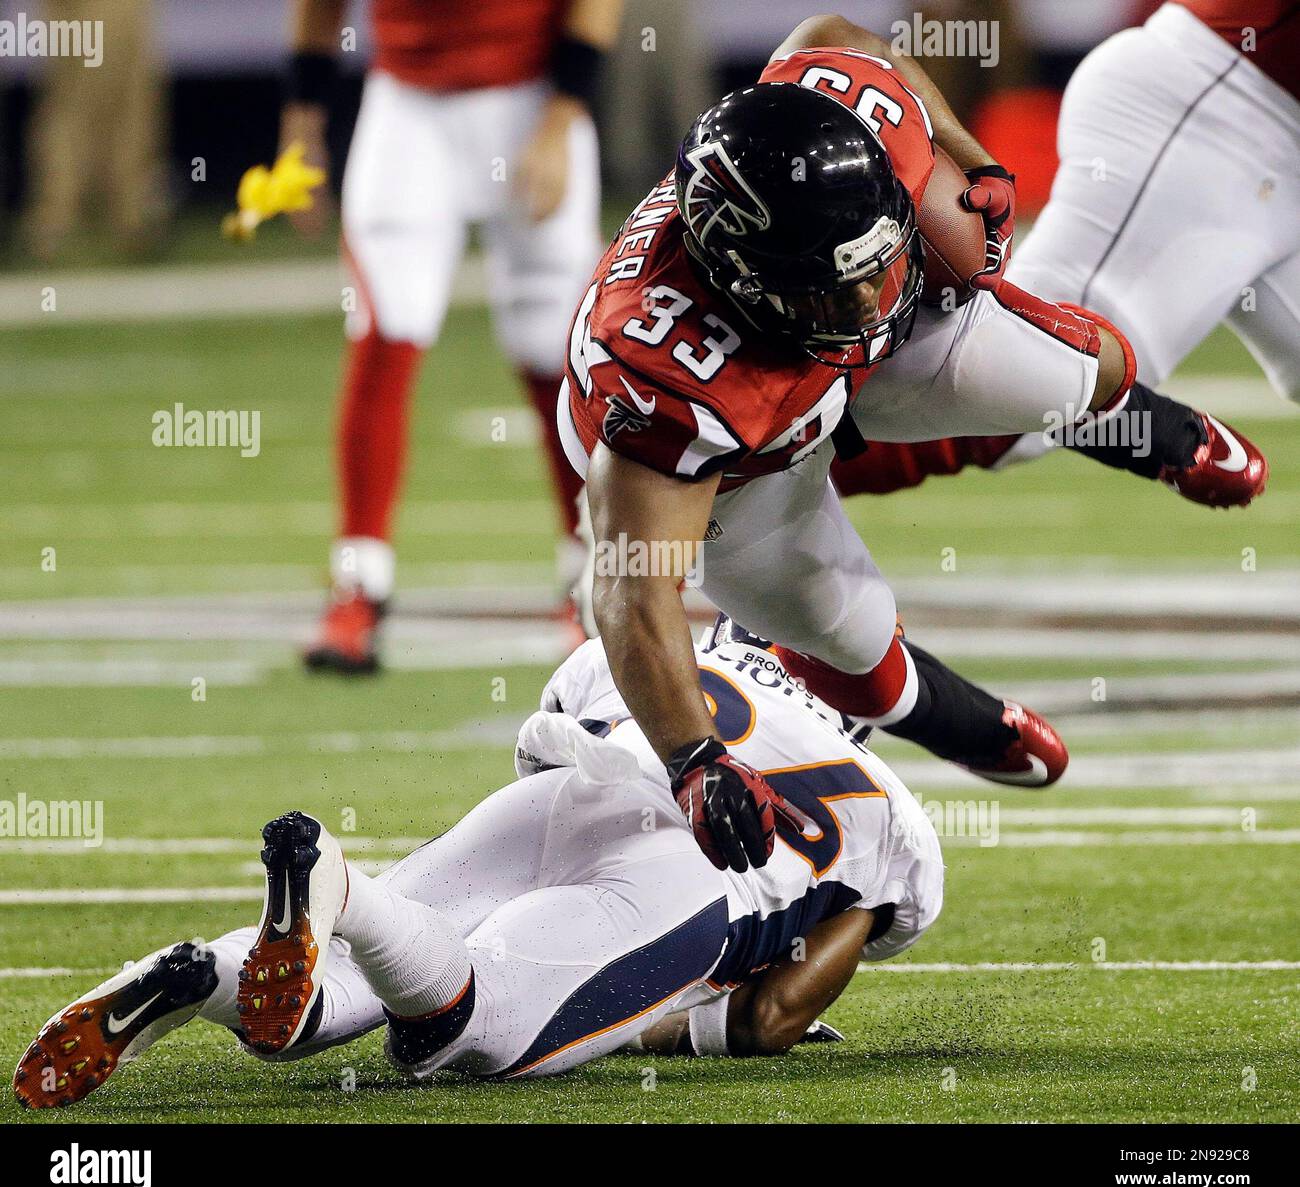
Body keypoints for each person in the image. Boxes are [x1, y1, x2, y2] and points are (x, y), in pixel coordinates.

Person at [562, 14, 1269, 875]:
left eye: (877, 264)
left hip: (829, 357)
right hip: (745, 470)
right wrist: (695, 761)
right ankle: (935, 709)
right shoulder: (666, 379)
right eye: (840, 285)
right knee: (849, 638)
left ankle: (1146, 427)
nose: (871, 298)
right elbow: (634, 591)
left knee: (1087, 364)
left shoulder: (848, 149)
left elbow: (846, 39)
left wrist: (972, 160)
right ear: (745, 278)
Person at [13, 632, 941, 1107]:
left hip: (558, 798)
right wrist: (656, 1025)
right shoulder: (889, 813)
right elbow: (770, 1016)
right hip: (686, 878)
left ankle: (197, 971)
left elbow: (546, 771)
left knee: (314, 1007)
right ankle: (340, 887)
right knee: (467, 1030)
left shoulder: (673, 648)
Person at [833, 0, 1296, 495]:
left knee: (1015, 379)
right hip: (1223, 118)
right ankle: (764, 462)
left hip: (1267, 135)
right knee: (1018, 381)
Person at [288, 0, 622, 673]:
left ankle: (591, 574)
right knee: (386, 331)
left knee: (556, 348)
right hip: (408, 106)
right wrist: (302, 119)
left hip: (531, 95)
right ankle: (359, 582)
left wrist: (562, 117)